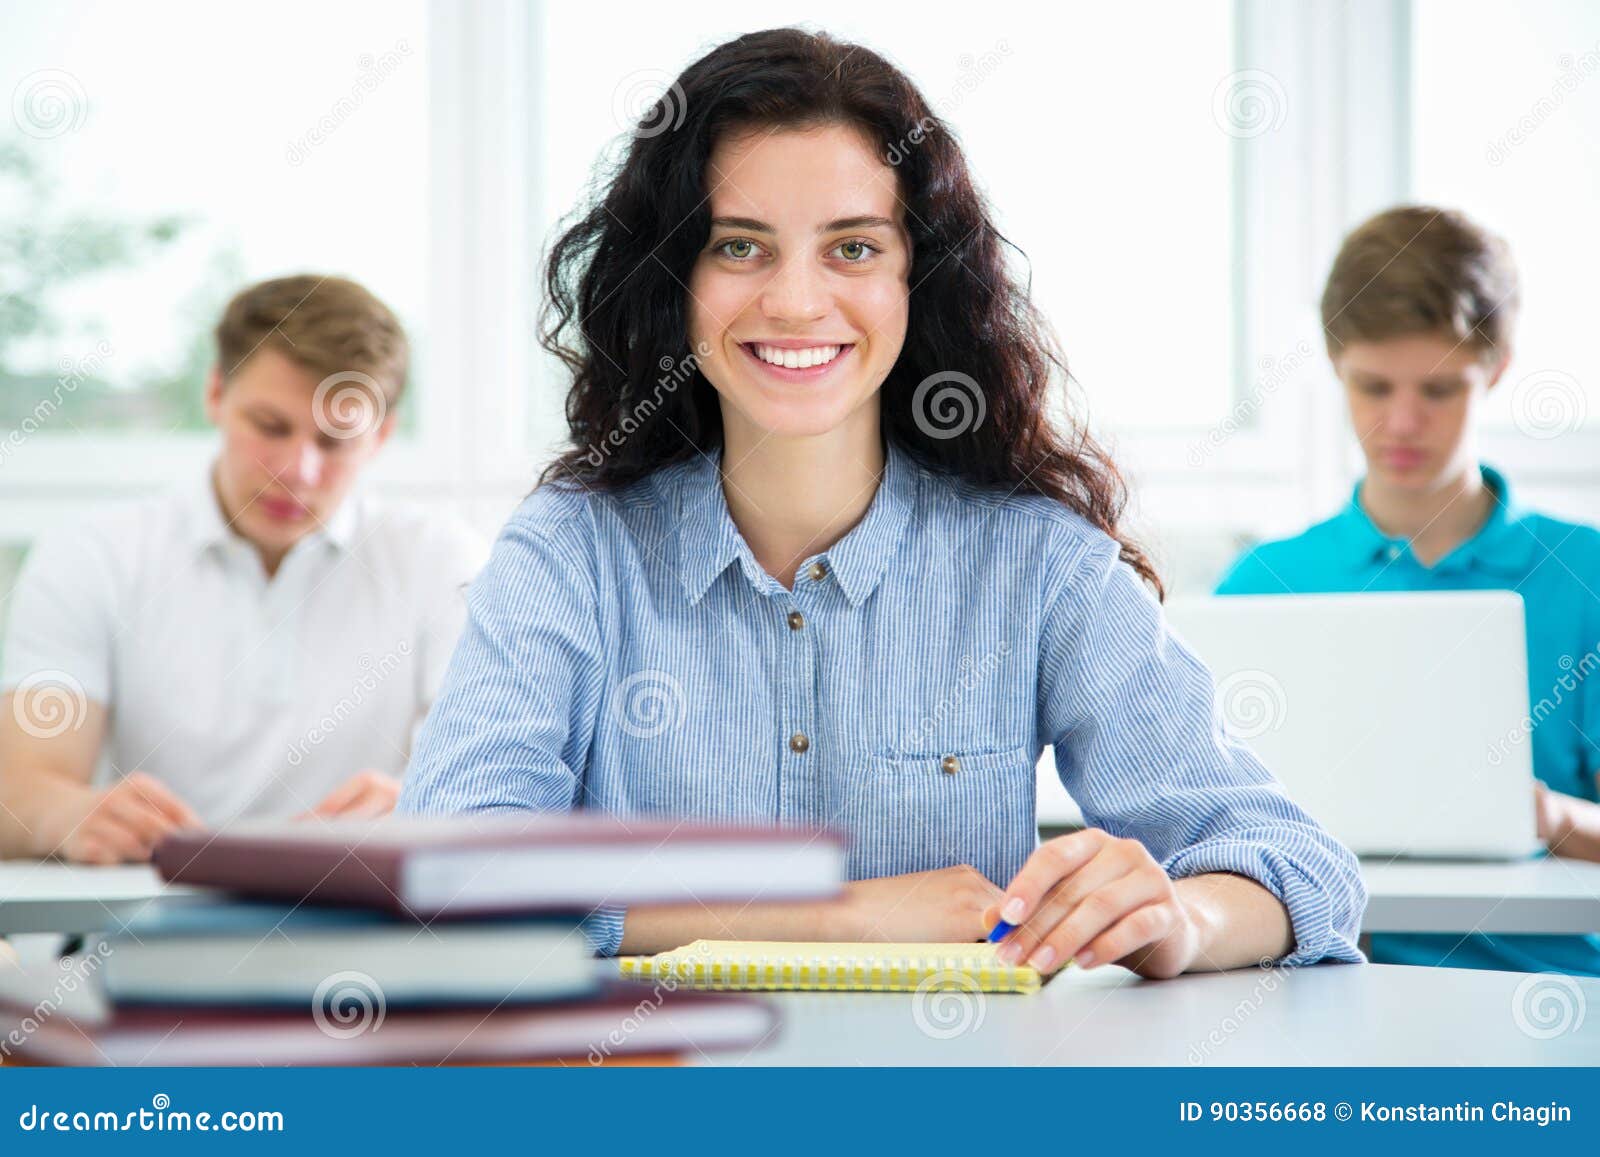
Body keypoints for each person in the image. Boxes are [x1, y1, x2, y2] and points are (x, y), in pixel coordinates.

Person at [400, 28, 1364, 977]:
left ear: (918, 279)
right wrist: (836, 916)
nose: (795, 301)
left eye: (853, 248)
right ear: (676, 281)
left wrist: (1176, 918)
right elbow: (445, 877)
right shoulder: (572, 550)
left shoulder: (1035, 561)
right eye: (740, 246)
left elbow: (1301, 868)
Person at [1217, 205, 1600, 975]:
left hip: (1550, 991)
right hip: (1321, 996)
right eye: (1373, 386)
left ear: (1496, 368)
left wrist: (1549, 817)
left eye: (1439, 389)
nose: (1401, 422)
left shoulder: (1583, 575)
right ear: (1335, 366)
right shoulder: (1261, 588)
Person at [0, 275, 486, 863]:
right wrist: (65, 814)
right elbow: (18, 794)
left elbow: (494, 790)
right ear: (215, 394)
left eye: (334, 441)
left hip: (360, 912)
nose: (297, 471)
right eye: (270, 427)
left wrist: (429, 812)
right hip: (147, 909)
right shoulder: (94, 555)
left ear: (380, 436)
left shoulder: (441, 562)